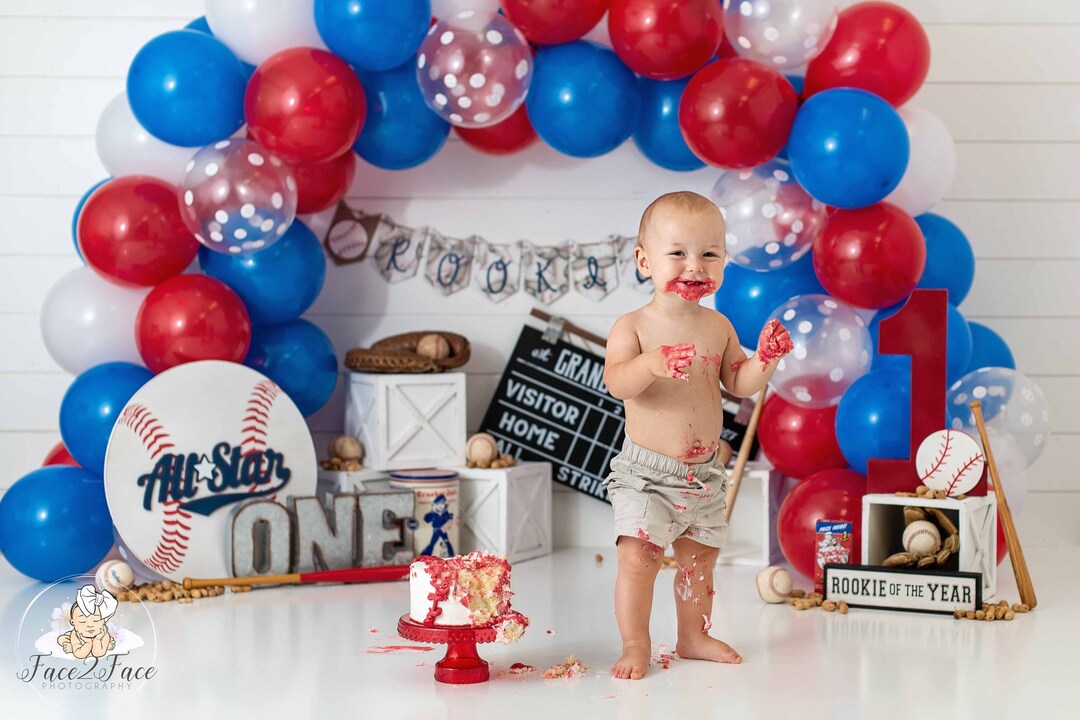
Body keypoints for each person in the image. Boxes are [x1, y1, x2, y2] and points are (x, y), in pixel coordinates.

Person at [603, 191, 793, 680]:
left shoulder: (718, 325)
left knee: (698, 564)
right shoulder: (634, 326)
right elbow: (616, 382)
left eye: (710, 254)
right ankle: (634, 643)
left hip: (705, 473)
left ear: (724, 261)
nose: (695, 266)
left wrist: (763, 361)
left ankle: (692, 635)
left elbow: (738, 382)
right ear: (644, 260)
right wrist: (650, 363)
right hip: (647, 472)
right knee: (638, 560)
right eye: (678, 253)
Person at [58, 585, 118, 659]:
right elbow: (79, 654)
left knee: (107, 643)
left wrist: (97, 640)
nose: (90, 625)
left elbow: (98, 653)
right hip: (76, 639)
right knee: (61, 639)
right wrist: (87, 643)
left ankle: (106, 645)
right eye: (82, 621)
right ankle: (71, 645)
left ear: (103, 621)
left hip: (99, 640)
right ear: (73, 622)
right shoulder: (76, 634)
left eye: (96, 620)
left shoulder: (103, 634)